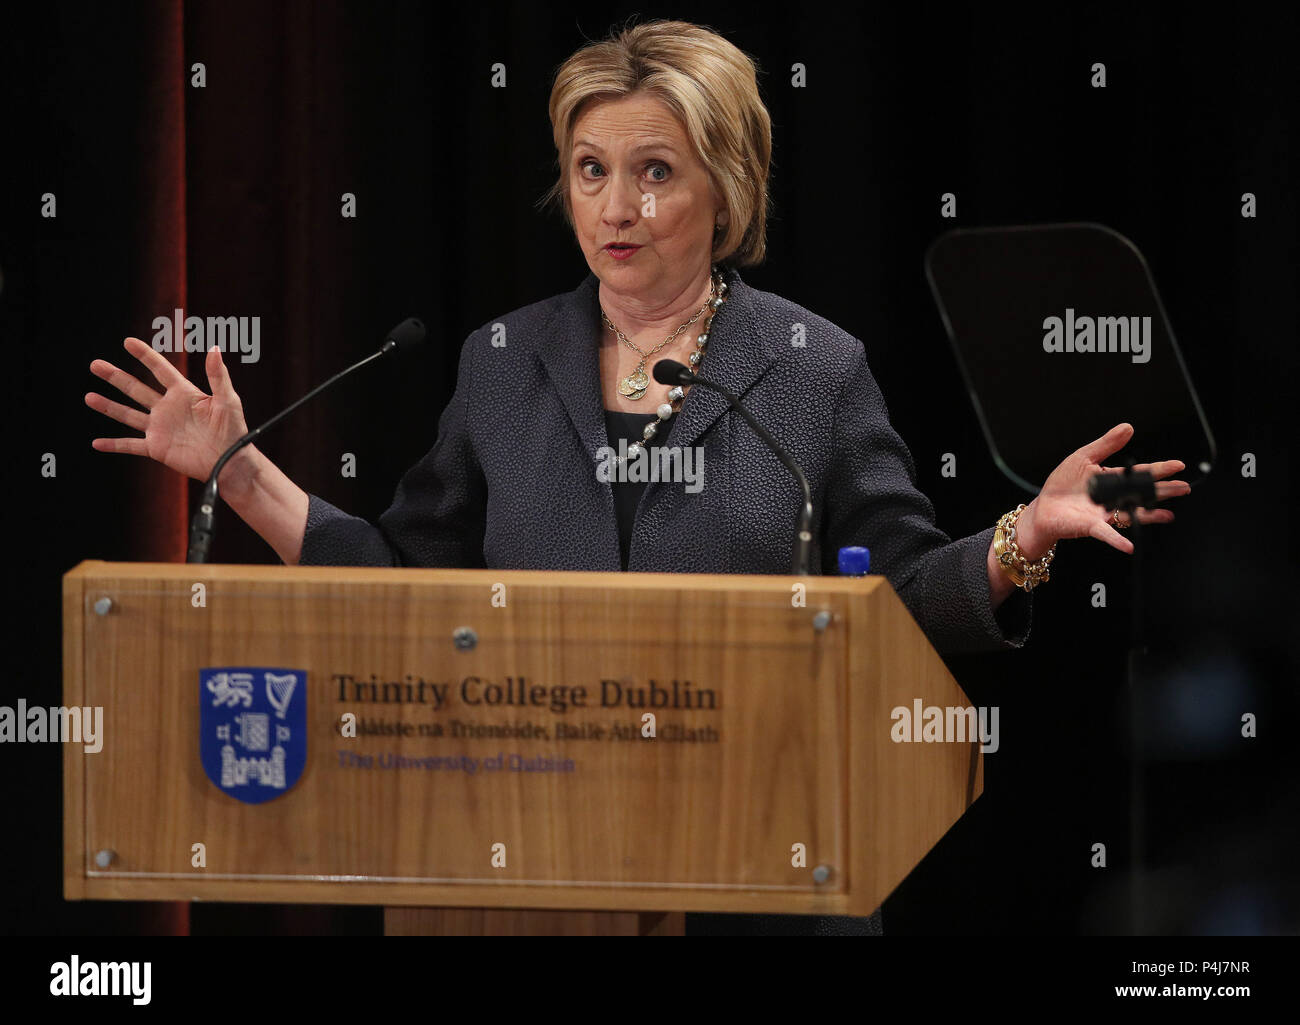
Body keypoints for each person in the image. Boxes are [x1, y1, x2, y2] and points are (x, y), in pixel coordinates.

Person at [85, 20, 1189, 935]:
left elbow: (891, 596)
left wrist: (1022, 536)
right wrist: (237, 471)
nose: (615, 208)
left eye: (654, 172)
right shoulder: (500, 362)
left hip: (753, 868)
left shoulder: (811, 369)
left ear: (725, 188)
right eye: (590, 170)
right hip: (515, 869)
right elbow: (403, 582)